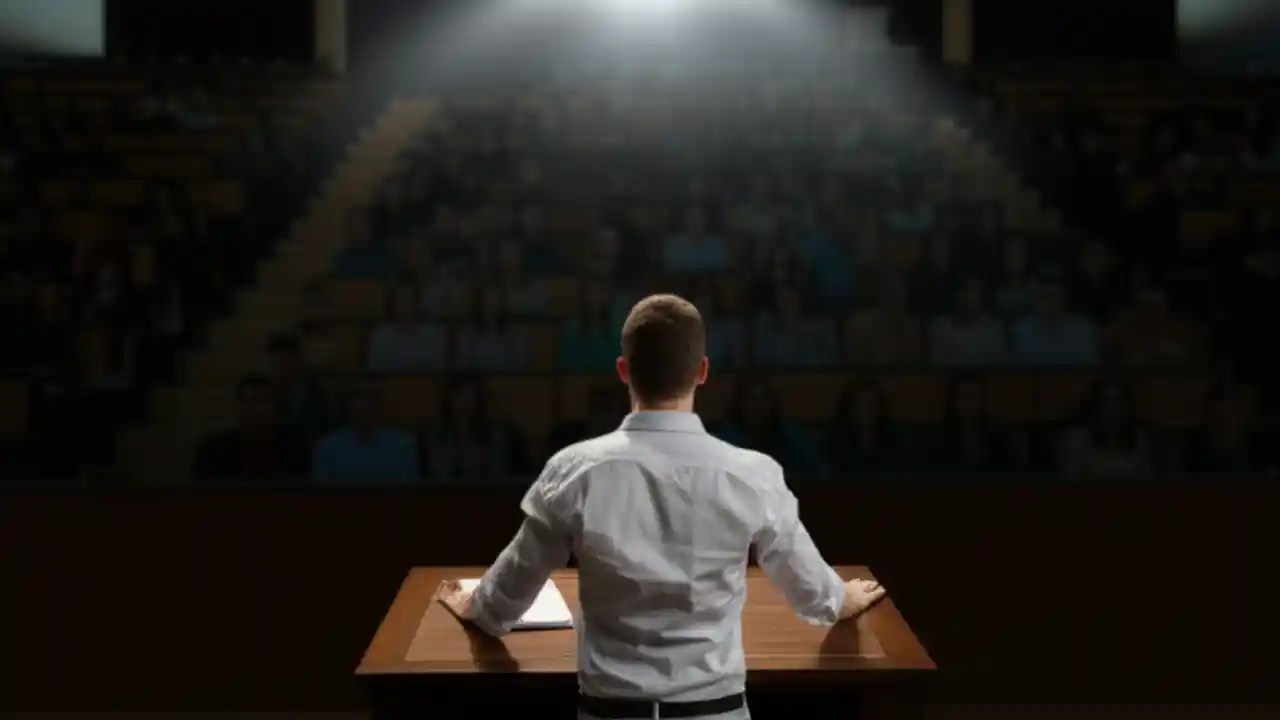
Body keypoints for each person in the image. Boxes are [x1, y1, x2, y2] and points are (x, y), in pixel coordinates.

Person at [436, 294, 885, 720]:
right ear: (703, 371)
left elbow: (501, 604)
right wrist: (840, 598)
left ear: (623, 370)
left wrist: (477, 605)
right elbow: (818, 597)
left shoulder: (574, 469)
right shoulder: (753, 474)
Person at [192, 374, 309, 483]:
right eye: (251, 401)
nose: (257, 409)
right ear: (238, 407)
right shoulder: (213, 450)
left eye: (264, 401)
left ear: (275, 407)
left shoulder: (295, 448)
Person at [312, 378, 420, 485]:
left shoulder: (403, 444)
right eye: (360, 397)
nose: (366, 404)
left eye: (372, 397)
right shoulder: (327, 447)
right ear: (349, 406)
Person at [425, 376, 531, 483]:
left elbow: (498, 478)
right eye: (459, 394)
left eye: (470, 395)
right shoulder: (438, 438)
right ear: (448, 398)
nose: (465, 401)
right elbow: (440, 478)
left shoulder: (495, 436)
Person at [1058, 379, 1153, 480]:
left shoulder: (1140, 439)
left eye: (1119, 401)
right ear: (1095, 406)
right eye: (1106, 401)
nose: (1113, 408)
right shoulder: (1075, 440)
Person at [1011, 273, 1099, 367]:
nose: (1051, 302)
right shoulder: (1022, 332)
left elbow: (1092, 370)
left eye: (1055, 296)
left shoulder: (1083, 329)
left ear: (1064, 296)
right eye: (1046, 296)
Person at [366, 282, 448, 372]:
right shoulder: (381, 334)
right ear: (392, 305)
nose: (405, 305)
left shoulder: (433, 334)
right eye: (400, 301)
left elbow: (439, 372)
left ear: (418, 305)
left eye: (409, 300)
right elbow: (375, 372)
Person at [928, 277, 1008, 367]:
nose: (968, 296)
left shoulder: (994, 328)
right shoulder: (940, 327)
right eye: (964, 290)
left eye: (975, 291)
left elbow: (998, 368)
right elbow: (938, 368)